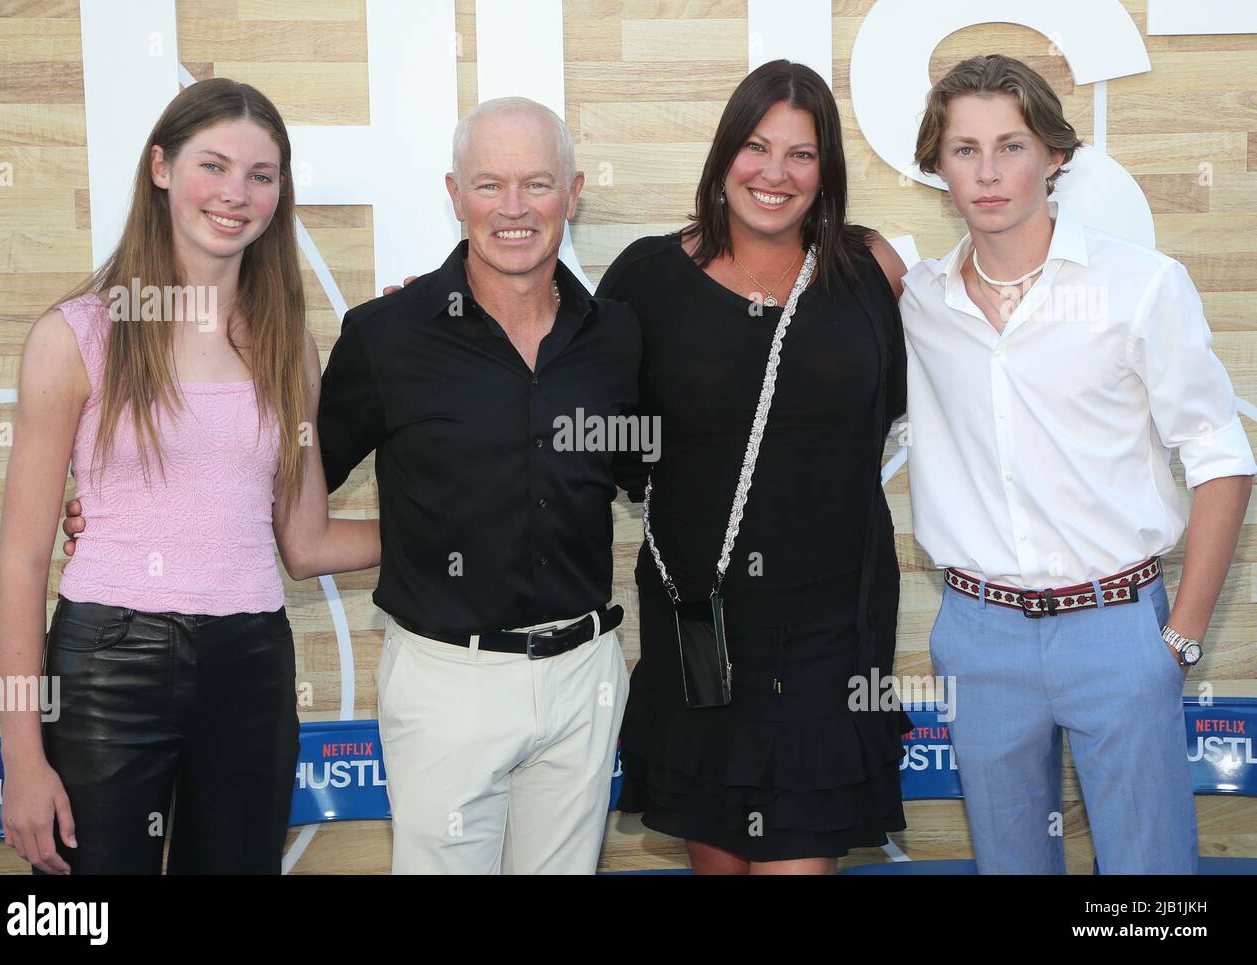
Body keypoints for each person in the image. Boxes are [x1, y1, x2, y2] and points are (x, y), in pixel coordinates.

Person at [0, 78, 379, 875]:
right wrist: (23, 757)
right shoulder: (77, 336)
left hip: (252, 663)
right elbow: (23, 560)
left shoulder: (289, 346)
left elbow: (304, 542)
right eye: (215, 165)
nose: (236, 194)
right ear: (161, 168)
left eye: (262, 174)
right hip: (106, 668)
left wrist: (460, 524)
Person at [901, 54, 1255, 874]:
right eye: (963, 150)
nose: (988, 173)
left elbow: (1222, 459)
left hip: (1122, 628)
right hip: (979, 634)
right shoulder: (918, 299)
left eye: (1012, 145)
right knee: (1009, 865)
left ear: (1055, 155)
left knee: (1147, 883)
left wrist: (1179, 641)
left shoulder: (1140, 286)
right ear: (936, 165)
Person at [596, 60, 910, 874]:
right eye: (755, 146)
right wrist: (444, 311)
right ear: (723, 152)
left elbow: (949, 385)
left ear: (826, 170)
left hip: (831, 632)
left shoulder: (871, 269)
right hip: (702, 623)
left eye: (801, 155)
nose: (774, 173)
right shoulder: (647, 275)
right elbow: (581, 401)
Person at [316, 97, 638, 874]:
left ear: (573, 190)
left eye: (537, 183)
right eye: (489, 186)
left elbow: (654, 478)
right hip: (444, 680)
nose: (515, 209)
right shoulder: (384, 337)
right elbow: (287, 487)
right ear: (455, 194)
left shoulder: (619, 336)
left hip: (585, 673)